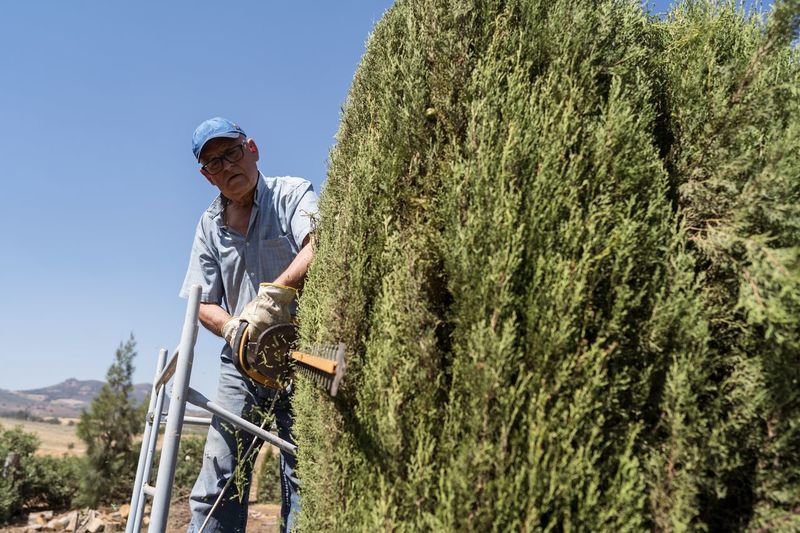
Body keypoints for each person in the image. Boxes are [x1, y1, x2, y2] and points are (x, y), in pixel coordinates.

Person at [179, 117, 318, 532]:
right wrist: (233, 327)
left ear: (252, 149)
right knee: (218, 480)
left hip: (303, 357)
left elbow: (318, 242)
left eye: (231, 153)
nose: (226, 167)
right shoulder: (209, 226)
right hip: (240, 363)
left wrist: (273, 295)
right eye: (214, 163)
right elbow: (200, 302)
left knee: (302, 476)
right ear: (206, 176)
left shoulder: (292, 193)